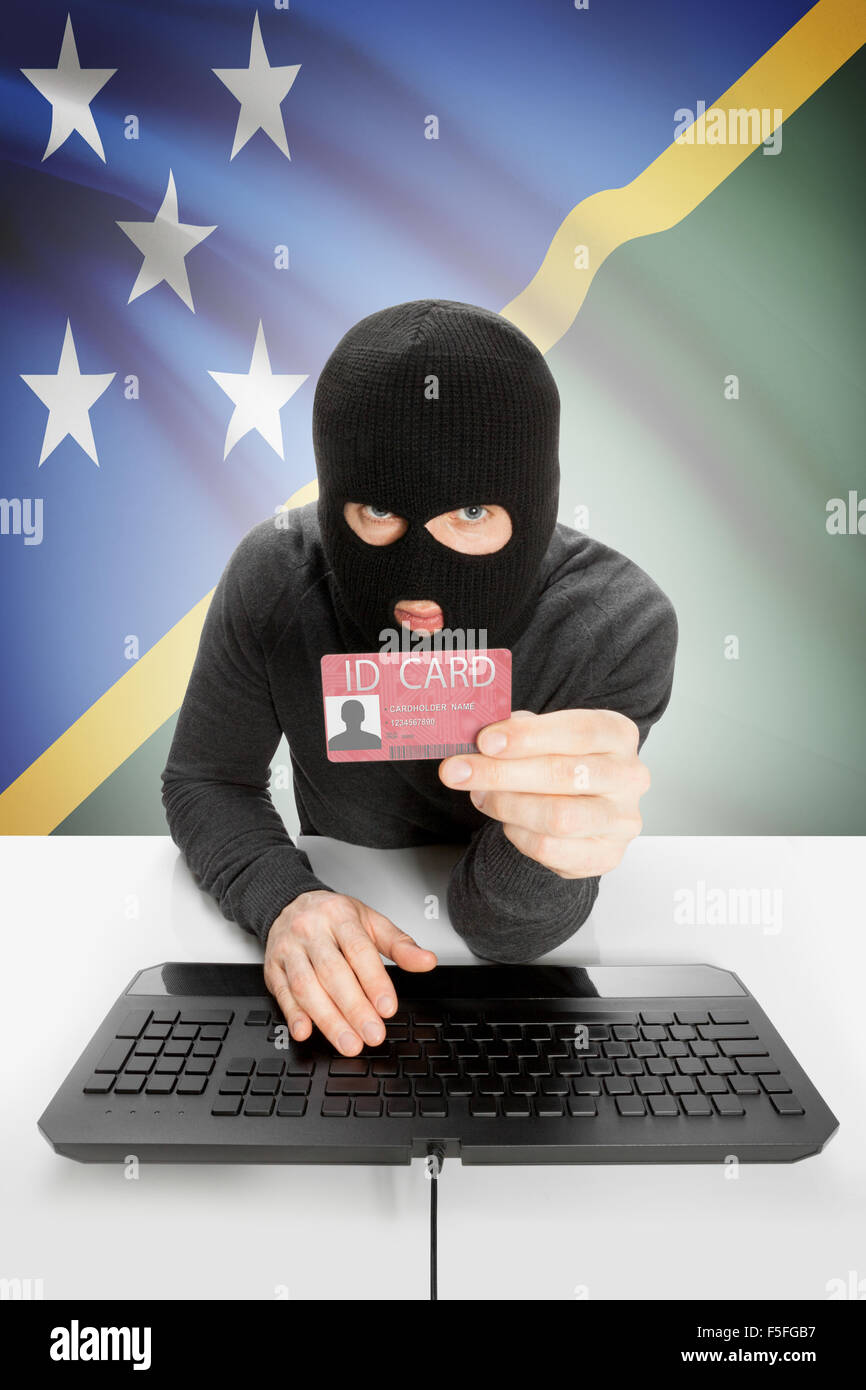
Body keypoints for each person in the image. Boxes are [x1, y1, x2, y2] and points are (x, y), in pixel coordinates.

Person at [161, 299, 677, 1057]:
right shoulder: (276, 574)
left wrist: (546, 848)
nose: (417, 583)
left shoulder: (613, 623)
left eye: (470, 510)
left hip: (522, 994)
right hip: (334, 968)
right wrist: (285, 899)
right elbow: (206, 780)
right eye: (376, 510)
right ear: (336, 499)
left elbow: (502, 934)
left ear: (533, 506)